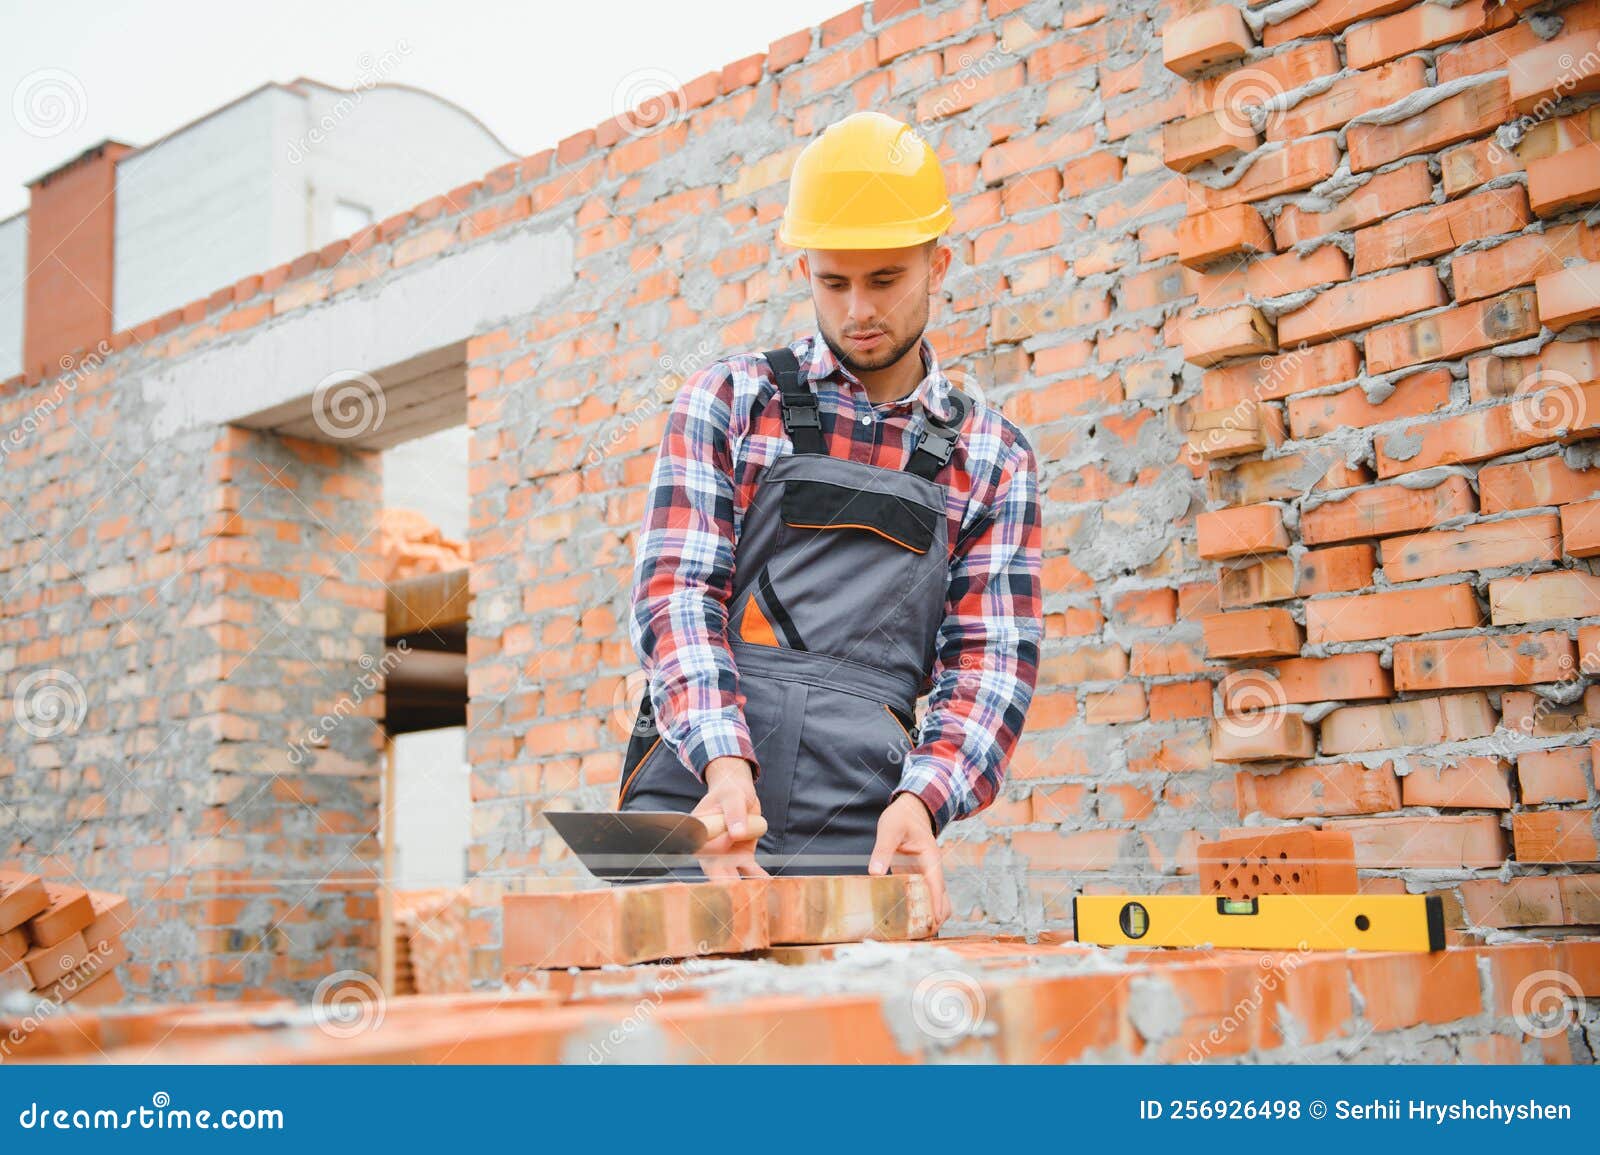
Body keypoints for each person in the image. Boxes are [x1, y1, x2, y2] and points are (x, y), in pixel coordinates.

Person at [618, 110, 1043, 929]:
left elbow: (991, 664)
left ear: (938, 263)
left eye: (884, 280)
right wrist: (724, 766)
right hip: (701, 793)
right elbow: (677, 593)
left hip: (860, 819)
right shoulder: (735, 402)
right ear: (805, 268)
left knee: (841, 1041)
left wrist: (924, 799)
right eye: (832, 283)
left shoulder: (992, 457)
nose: (857, 311)